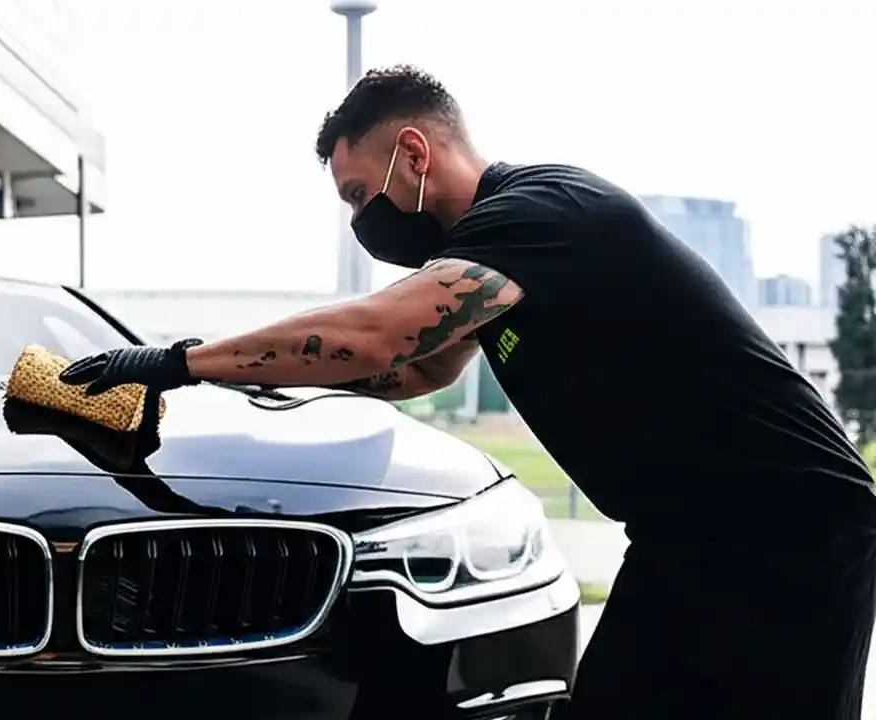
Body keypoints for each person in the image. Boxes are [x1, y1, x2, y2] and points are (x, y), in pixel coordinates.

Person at [59, 65, 876, 718]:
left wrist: (178, 360)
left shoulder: (541, 214)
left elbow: (378, 336)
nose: (360, 219)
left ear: (414, 153)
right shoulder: (498, 253)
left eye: (357, 193)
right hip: (684, 542)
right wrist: (254, 389)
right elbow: (417, 370)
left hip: (792, 535)